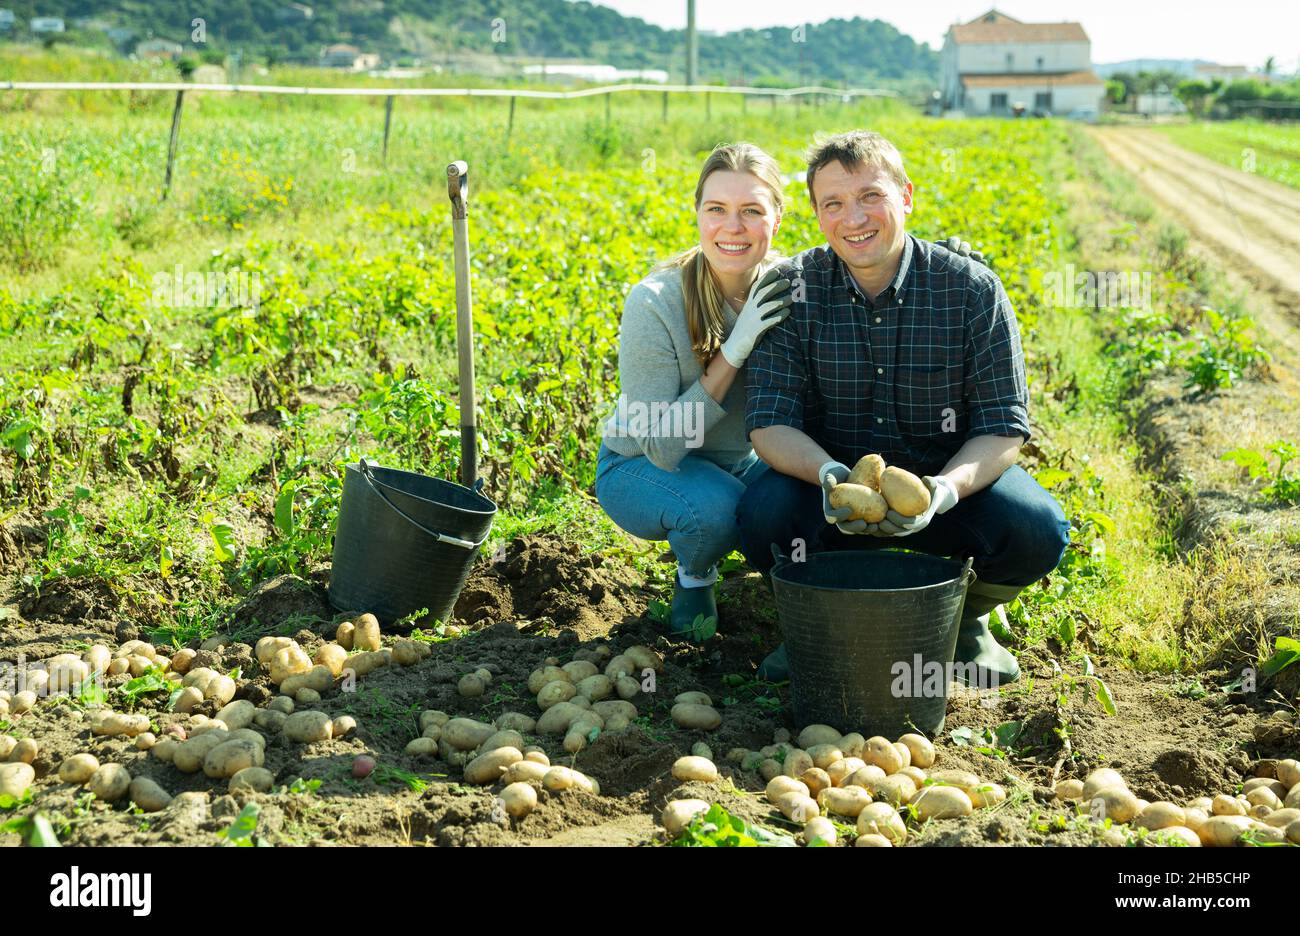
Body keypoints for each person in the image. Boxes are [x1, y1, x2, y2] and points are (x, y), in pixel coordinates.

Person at [737, 130, 1070, 687]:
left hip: (945, 497)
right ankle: (814, 620)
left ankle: (965, 617)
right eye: (834, 204)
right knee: (760, 515)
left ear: (906, 196)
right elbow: (769, 423)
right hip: (831, 503)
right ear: (818, 215)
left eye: (871, 196)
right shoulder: (792, 289)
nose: (853, 217)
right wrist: (830, 477)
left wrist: (943, 491)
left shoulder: (970, 290)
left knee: (1036, 528)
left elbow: (1002, 427)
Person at [595, 142, 793, 640]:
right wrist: (734, 350)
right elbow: (661, 447)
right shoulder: (656, 302)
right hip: (640, 465)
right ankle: (695, 577)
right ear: (698, 216)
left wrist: (947, 262)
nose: (733, 227)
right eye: (717, 210)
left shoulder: (789, 286)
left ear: (777, 219)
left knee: (806, 496)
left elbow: (868, 269)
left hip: (738, 461)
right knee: (722, 510)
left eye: (752, 211)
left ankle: (796, 595)